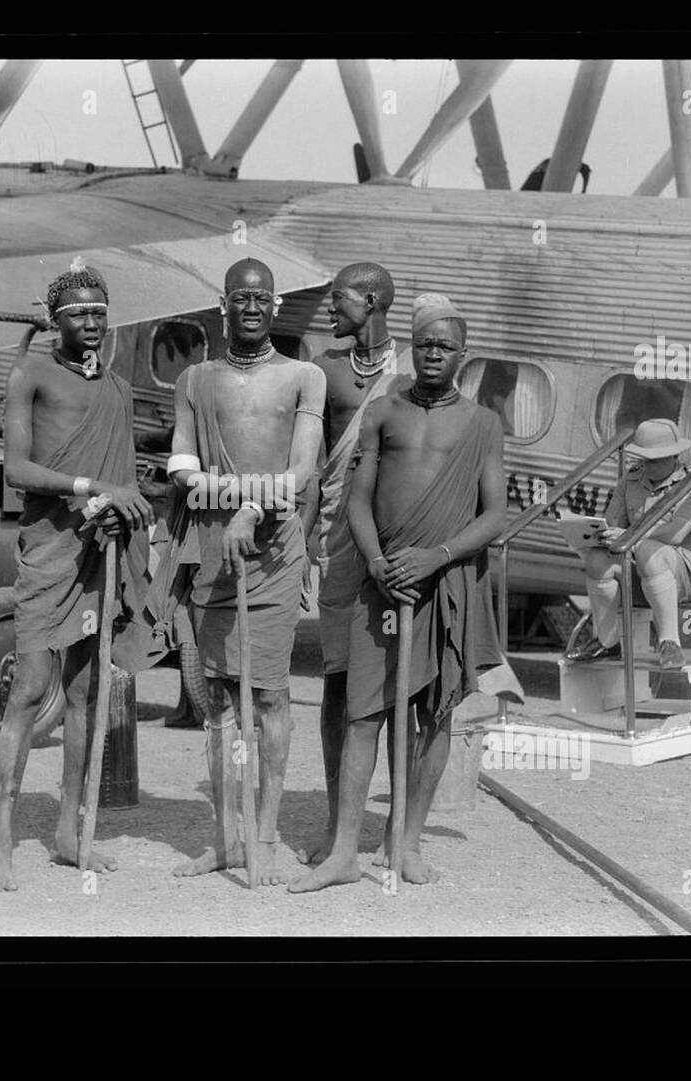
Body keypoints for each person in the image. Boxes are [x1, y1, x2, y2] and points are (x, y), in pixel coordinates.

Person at [290, 293, 518, 893]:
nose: (433, 354)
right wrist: (378, 562)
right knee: (361, 714)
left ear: (463, 355)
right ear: (411, 349)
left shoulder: (483, 423)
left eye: (444, 346)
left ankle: (404, 841)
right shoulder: (384, 412)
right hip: (382, 583)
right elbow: (358, 501)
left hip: (447, 584)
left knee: (435, 714)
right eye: (424, 345)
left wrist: (437, 556)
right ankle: (343, 852)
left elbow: (495, 516)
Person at [0, 267, 160, 892]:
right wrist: (91, 489)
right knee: (30, 687)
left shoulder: (119, 389)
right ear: (55, 318)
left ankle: (69, 832)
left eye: (99, 310)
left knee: (87, 692)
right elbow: (18, 470)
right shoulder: (30, 375)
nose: (91, 320)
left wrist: (122, 511)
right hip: (50, 546)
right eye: (78, 311)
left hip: (101, 548)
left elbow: (128, 478)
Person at [161, 258, 325, 887]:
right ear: (223, 304)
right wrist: (213, 491)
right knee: (220, 698)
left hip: (275, 549)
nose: (250, 307)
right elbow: (181, 458)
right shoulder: (196, 380)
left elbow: (301, 473)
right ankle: (227, 839)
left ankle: (267, 832)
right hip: (211, 546)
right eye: (239, 297)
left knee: (272, 693)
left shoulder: (303, 377)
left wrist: (246, 505)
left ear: (276, 305)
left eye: (261, 297)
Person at [299, 262, 410, 865]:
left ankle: (397, 833)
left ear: (370, 301)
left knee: (403, 687)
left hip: (400, 542)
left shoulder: (415, 372)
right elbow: (315, 464)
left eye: (338, 300)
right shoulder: (325, 370)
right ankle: (339, 828)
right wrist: (304, 537)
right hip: (341, 543)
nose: (329, 312)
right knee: (339, 688)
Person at [567, 417, 691, 670]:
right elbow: (611, 523)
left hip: (689, 574)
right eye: (645, 460)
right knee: (598, 561)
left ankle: (670, 643)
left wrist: (629, 536)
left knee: (650, 551)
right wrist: (589, 537)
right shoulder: (630, 481)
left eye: (656, 460)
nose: (648, 466)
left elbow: (674, 534)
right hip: (644, 570)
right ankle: (606, 643)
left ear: (674, 457)